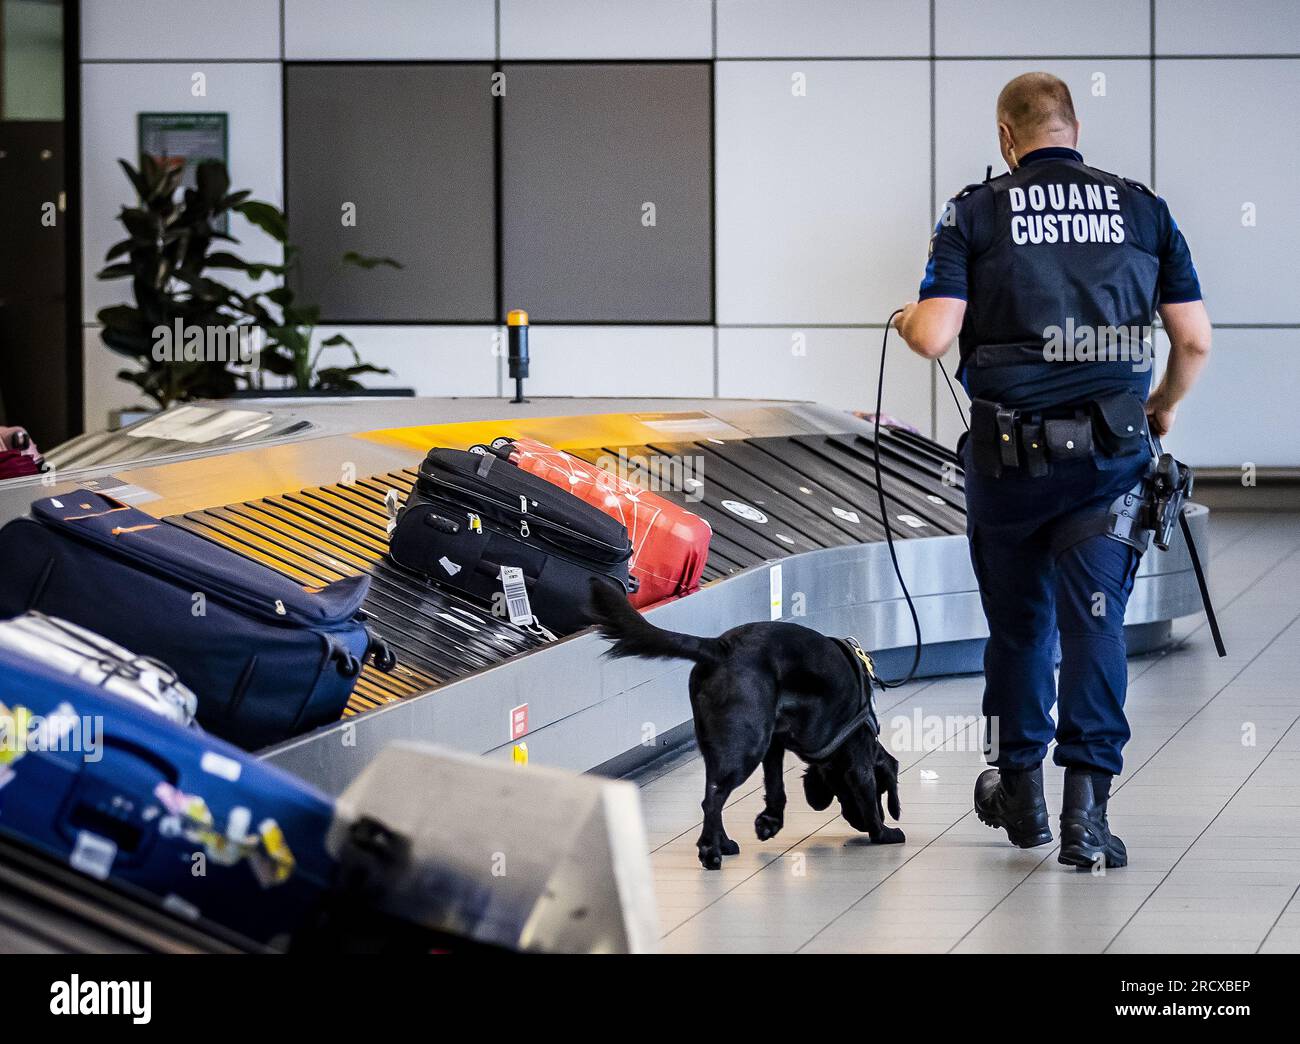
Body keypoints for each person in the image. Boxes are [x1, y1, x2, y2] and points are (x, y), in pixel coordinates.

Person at [893, 72, 1211, 869]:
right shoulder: (1143, 209)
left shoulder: (974, 211)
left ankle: (1021, 793)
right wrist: (1163, 407)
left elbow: (934, 336)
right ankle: (1087, 816)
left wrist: (903, 317)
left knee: (1019, 630)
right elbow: (1195, 339)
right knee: (1094, 625)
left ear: (1007, 137)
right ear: (1073, 127)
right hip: (1109, 464)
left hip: (1009, 470)